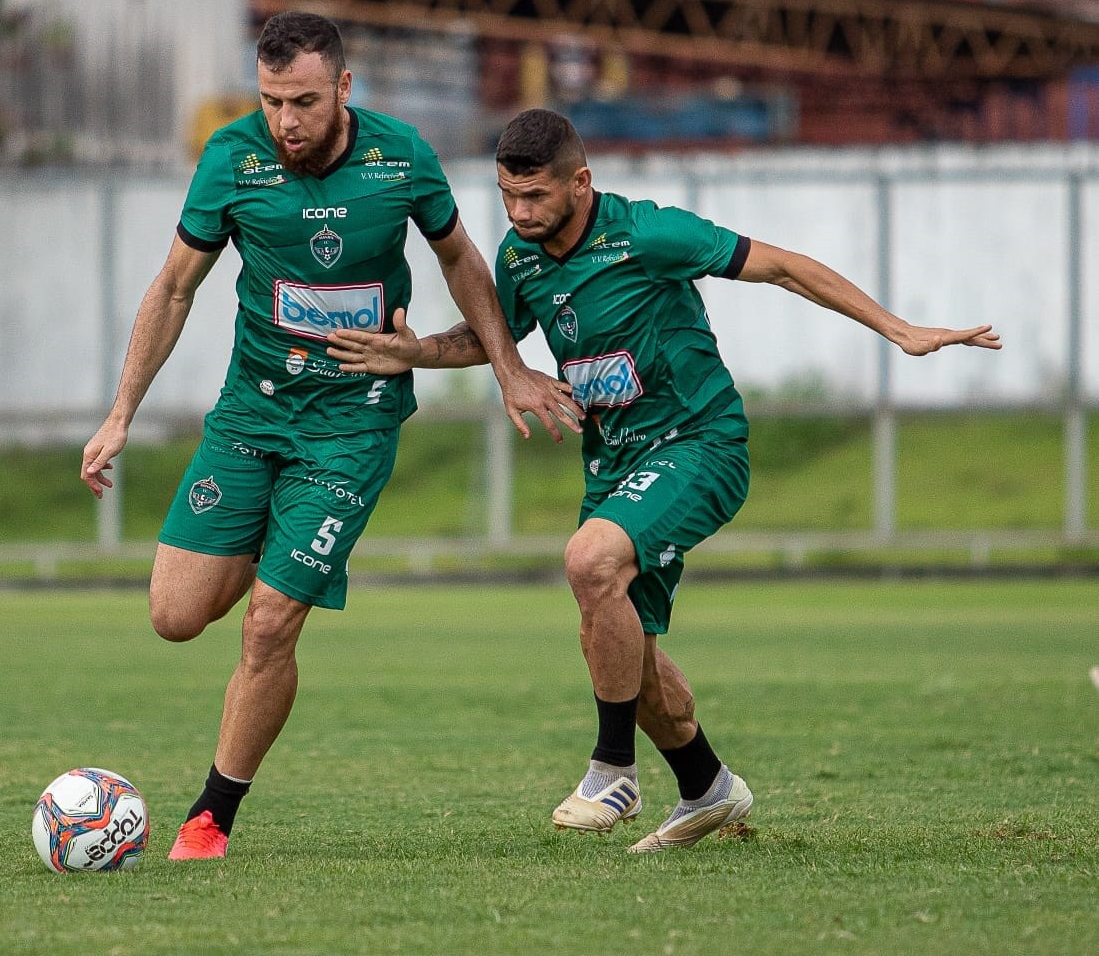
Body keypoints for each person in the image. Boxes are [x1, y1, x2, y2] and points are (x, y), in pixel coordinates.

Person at [327, 108, 1001, 852]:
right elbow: (489, 341)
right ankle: (707, 786)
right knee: (626, 655)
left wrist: (899, 329)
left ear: (581, 183)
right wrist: (412, 350)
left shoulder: (647, 233)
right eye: (507, 197)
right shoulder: (521, 259)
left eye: (536, 198)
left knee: (589, 560)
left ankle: (613, 768)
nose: (519, 214)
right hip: (616, 465)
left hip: (699, 444)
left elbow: (782, 264)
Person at [79, 16, 580, 861]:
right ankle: (276, 552)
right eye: (272, 101)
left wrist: (509, 368)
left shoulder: (401, 158)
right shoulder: (230, 160)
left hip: (353, 423)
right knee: (174, 615)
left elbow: (461, 261)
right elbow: (173, 290)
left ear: (345, 89)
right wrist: (121, 411)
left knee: (270, 624)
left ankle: (210, 818)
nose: (287, 122)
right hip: (252, 414)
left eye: (304, 101)